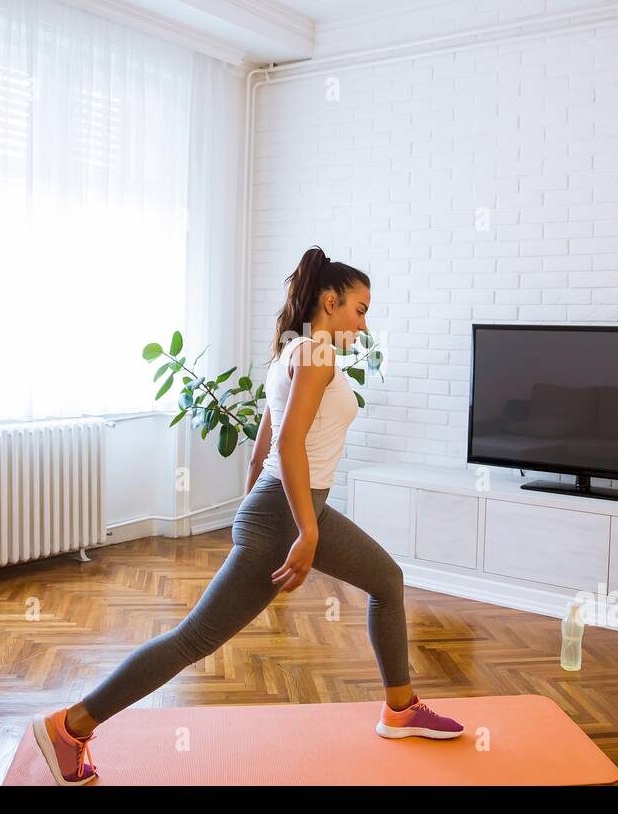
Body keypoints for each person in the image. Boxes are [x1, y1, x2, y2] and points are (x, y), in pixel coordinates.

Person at [32, 245, 463, 785]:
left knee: (387, 580)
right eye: (360, 308)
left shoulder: (293, 351)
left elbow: (265, 440)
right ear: (330, 301)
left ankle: (400, 709)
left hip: (289, 507)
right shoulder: (315, 355)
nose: (365, 322)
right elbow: (288, 442)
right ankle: (70, 726)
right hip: (287, 516)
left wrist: (264, 500)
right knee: (194, 640)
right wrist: (302, 530)